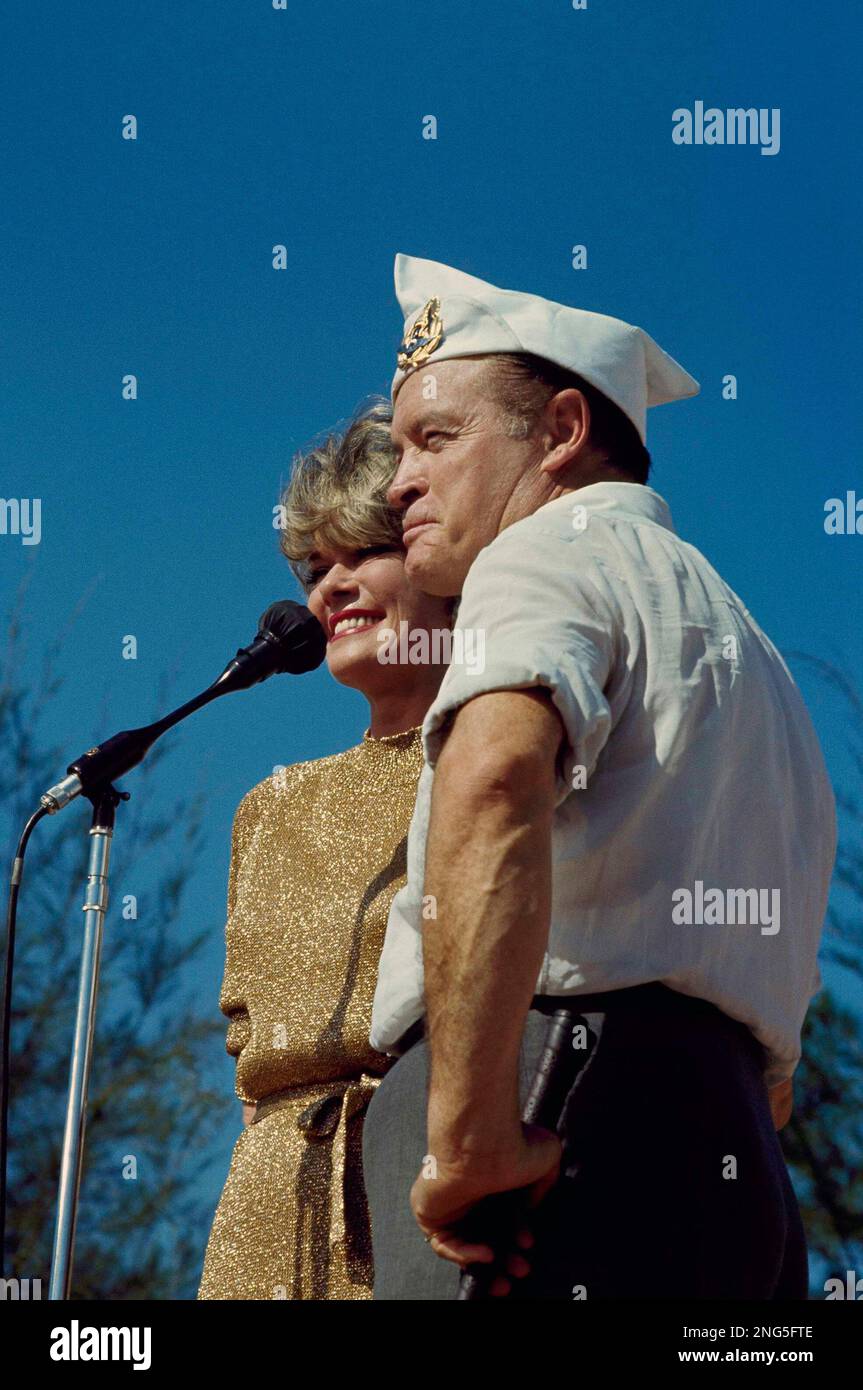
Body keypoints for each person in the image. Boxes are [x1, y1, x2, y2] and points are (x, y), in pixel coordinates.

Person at [362, 255, 837, 1300]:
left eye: (434, 438)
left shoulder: (538, 555)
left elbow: (494, 782)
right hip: (732, 1175)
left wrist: (469, 1129)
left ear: (561, 431)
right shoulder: (755, 661)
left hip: (546, 1116)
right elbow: (776, 1071)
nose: (397, 480)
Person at [198, 400, 453, 1300]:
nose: (329, 588)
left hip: (424, 1180)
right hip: (263, 1208)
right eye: (316, 565)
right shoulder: (270, 805)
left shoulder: (504, 765)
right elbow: (243, 1051)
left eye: (364, 552)